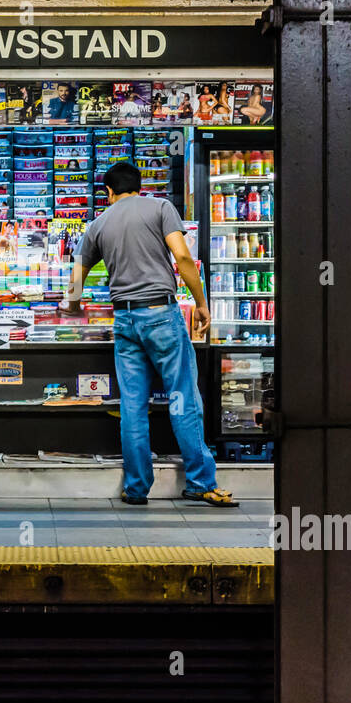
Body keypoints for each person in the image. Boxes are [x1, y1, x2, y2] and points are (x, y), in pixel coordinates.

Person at [63, 162, 234, 508]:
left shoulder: (98, 224)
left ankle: (137, 488)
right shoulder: (160, 208)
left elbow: (76, 282)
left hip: (124, 320)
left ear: (108, 192)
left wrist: (74, 306)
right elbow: (183, 257)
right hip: (161, 315)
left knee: (132, 406)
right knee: (183, 397)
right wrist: (201, 303)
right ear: (139, 186)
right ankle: (201, 482)